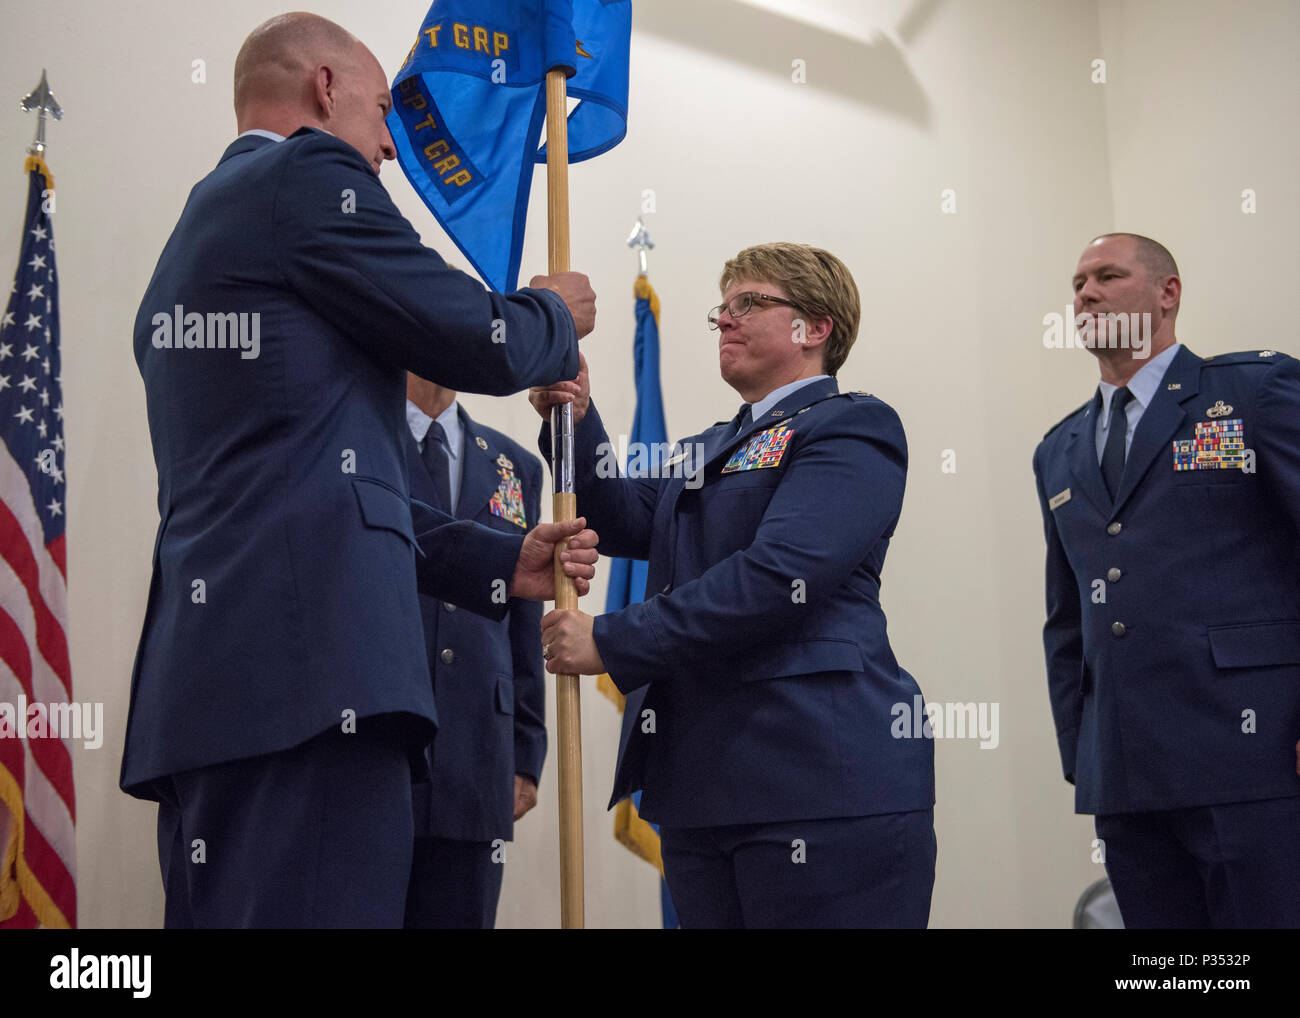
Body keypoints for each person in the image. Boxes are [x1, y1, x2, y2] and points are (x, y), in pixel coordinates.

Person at [122, 12, 600, 928]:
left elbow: (319, 481)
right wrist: (549, 314)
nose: (389, 144)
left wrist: (498, 563)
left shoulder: (195, 238)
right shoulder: (305, 174)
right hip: (308, 689)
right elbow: (476, 339)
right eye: (383, 110)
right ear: (325, 90)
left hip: (227, 690)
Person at [531, 242, 936, 928]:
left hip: (818, 782)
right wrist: (570, 416)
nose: (726, 319)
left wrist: (612, 639)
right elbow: (623, 514)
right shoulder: (709, 447)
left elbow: (781, 576)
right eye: (724, 307)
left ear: (817, 327)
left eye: (751, 304)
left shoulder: (852, 426)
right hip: (702, 787)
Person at [1033, 232, 1300, 928]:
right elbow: (1067, 620)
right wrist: (1081, 748)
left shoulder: (1252, 393)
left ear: (1167, 292)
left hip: (1255, 755)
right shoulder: (1057, 450)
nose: (1085, 292)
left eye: (1108, 276)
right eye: (1078, 282)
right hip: (1124, 772)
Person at [402, 373, 547, 928]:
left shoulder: (515, 465)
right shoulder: (355, 443)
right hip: (381, 739)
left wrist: (526, 749)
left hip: (478, 752)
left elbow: (524, 618)